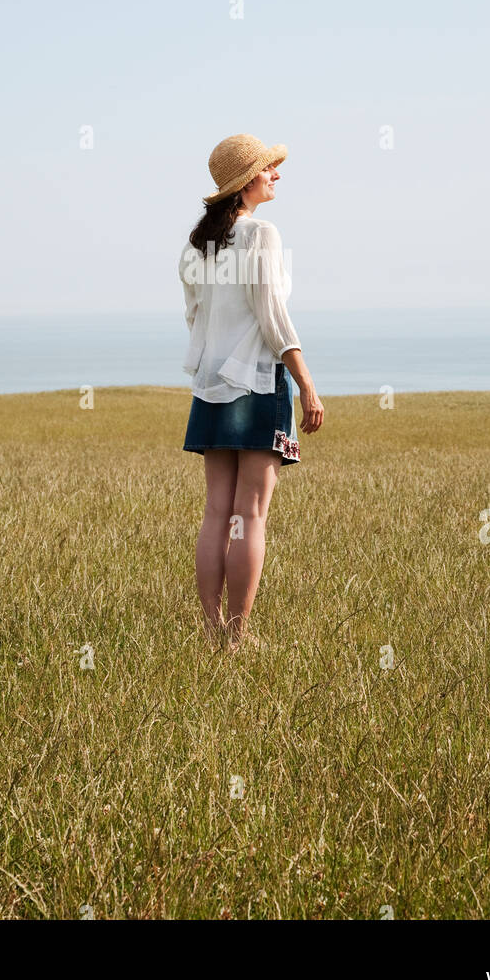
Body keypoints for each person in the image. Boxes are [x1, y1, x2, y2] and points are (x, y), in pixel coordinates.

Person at [179, 134, 324, 651]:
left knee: (217, 512)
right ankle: (237, 636)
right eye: (268, 169)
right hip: (258, 384)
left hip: (210, 387)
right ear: (247, 182)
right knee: (250, 515)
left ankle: (211, 629)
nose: (276, 175)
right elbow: (272, 315)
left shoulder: (198, 246)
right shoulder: (262, 234)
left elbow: (195, 317)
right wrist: (306, 382)